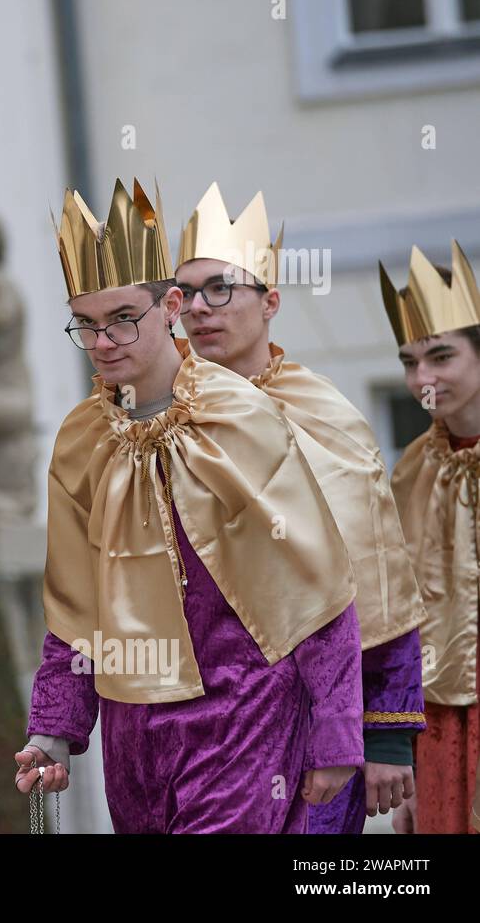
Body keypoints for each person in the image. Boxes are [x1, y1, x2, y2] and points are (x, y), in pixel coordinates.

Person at [15, 179, 364, 833]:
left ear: (170, 305)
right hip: (133, 728)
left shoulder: (239, 413)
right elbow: (74, 606)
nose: (103, 341)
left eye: (123, 318)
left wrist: (336, 731)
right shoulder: (79, 439)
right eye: (85, 325)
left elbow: (318, 582)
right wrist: (54, 730)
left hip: (244, 705)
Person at [176, 183, 426, 834]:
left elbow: (378, 574)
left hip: (307, 724)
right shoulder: (162, 420)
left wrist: (388, 733)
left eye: (222, 288)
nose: (201, 308)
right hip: (189, 726)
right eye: (186, 294)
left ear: (271, 303)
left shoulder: (318, 415)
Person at [379, 242, 480, 834]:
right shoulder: (412, 468)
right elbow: (398, 614)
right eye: (409, 362)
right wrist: (402, 756)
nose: (423, 378)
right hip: (440, 723)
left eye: (441, 356)